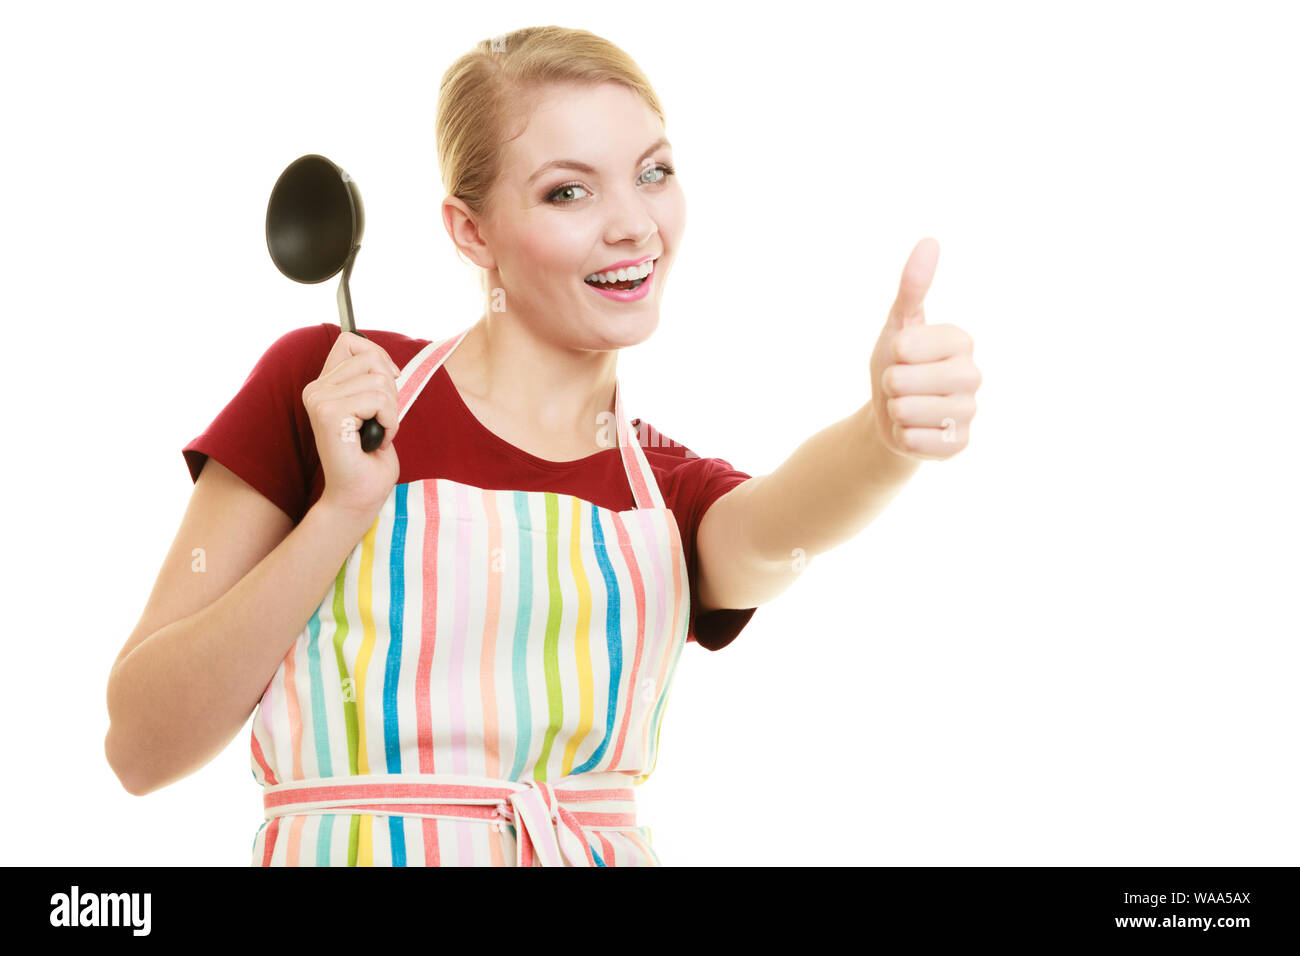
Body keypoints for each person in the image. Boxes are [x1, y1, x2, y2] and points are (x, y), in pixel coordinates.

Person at [104, 25, 981, 866]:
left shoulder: (661, 489)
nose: (635, 225)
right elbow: (141, 747)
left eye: (654, 174)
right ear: (470, 232)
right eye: (570, 190)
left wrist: (884, 437)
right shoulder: (330, 393)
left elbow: (774, 528)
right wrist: (341, 511)